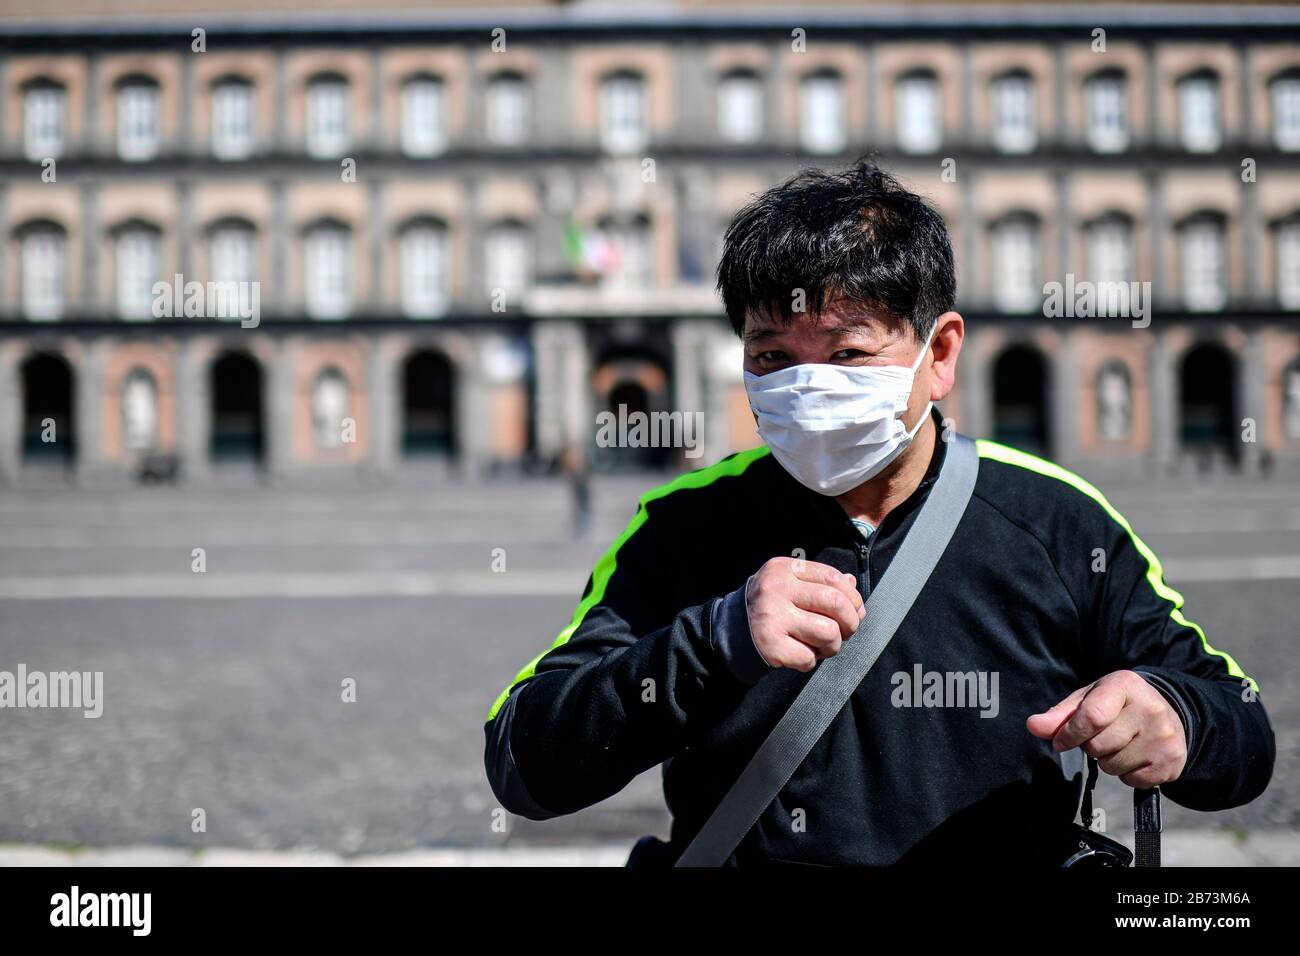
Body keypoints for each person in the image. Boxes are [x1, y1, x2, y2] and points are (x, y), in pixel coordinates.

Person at [483, 160, 1275, 866]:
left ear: (940, 354)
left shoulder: (1059, 522)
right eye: (770, 357)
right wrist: (710, 642)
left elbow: (1241, 730)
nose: (807, 386)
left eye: (848, 354)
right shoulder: (680, 525)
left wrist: (1179, 718)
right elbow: (523, 765)